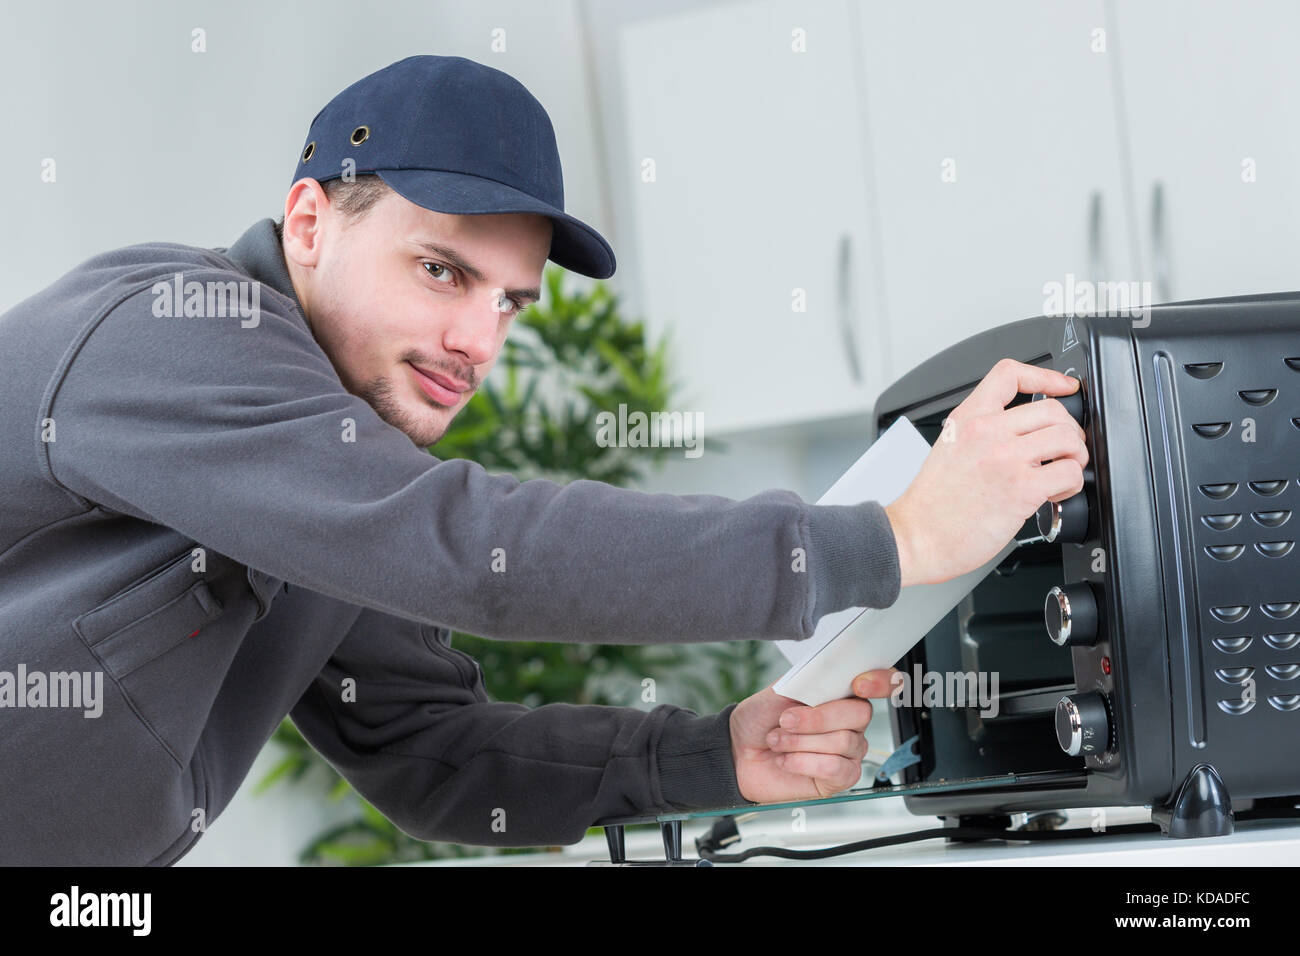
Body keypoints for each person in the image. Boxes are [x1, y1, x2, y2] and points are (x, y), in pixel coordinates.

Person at [0, 55, 1087, 865]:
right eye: (439, 269)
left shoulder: (332, 460)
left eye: (508, 303)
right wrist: (889, 538)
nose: (480, 343)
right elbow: (470, 547)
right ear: (308, 222)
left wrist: (713, 755)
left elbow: (425, 747)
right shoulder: (172, 329)